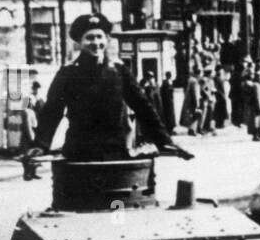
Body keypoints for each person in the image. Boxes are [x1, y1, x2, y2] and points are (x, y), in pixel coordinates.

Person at [29, 14, 189, 161]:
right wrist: (40, 145)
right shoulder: (68, 73)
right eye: (89, 38)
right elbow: (52, 110)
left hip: (115, 152)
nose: (96, 43)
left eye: (100, 37)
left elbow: (143, 107)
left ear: (106, 39)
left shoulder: (119, 71)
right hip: (79, 153)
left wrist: (164, 141)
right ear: (79, 42)